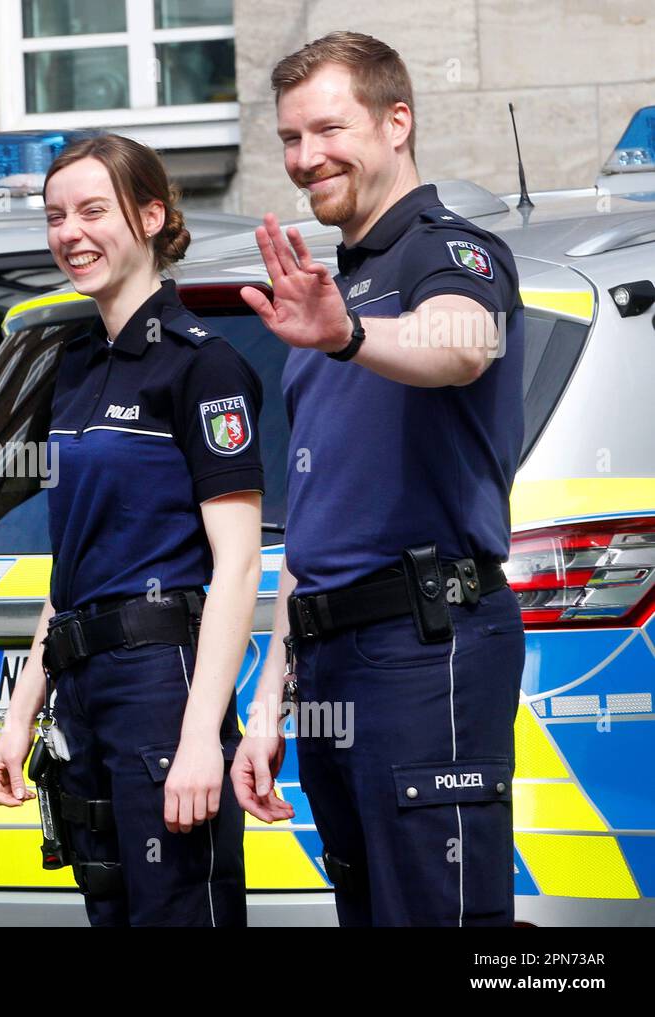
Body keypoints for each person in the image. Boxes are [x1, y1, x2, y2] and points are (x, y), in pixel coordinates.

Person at [230, 32, 526, 927]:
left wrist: (351, 339)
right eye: (289, 138)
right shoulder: (336, 287)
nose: (304, 157)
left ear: (397, 123)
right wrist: (269, 701)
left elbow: (463, 343)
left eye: (327, 128)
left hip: (423, 649)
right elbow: (318, 529)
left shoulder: (444, 253)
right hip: (330, 661)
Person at [0, 134, 265, 927]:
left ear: (150, 216)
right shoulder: (73, 367)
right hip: (81, 686)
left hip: (159, 685)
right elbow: (70, 567)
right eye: (55, 217)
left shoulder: (201, 366)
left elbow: (237, 567)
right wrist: (20, 715)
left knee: (179, 911)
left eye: (93, 211)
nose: (71, 232)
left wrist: (202, 735)